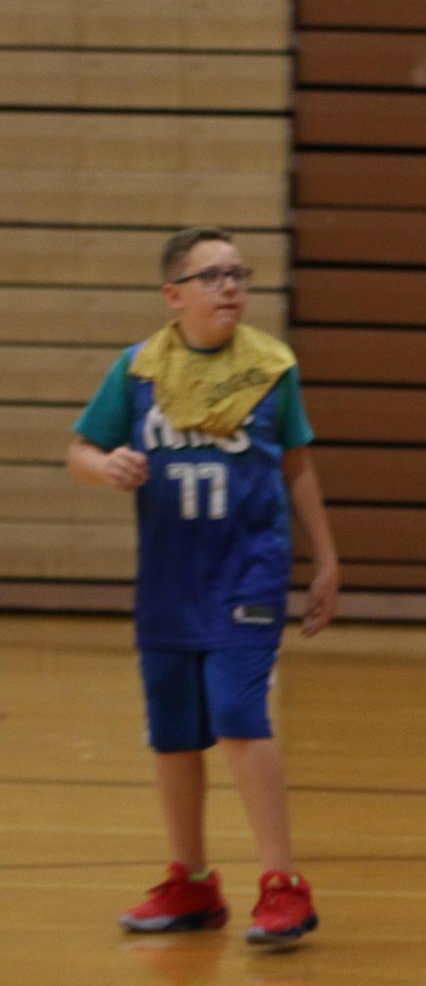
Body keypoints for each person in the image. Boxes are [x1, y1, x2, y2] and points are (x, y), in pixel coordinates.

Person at [66, 226, 340, 946]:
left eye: (239, 274)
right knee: (173, 734)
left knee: (237, 715)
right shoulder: (138, 371)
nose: (230, 287)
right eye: (213, 275)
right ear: (173, 294)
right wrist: (104, 468)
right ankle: (190, 881)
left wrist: (328, 559)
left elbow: (298, 467)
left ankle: (282, 884)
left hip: (246, 571)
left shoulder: (272, 368)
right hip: (167, 581)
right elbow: (80, 449)